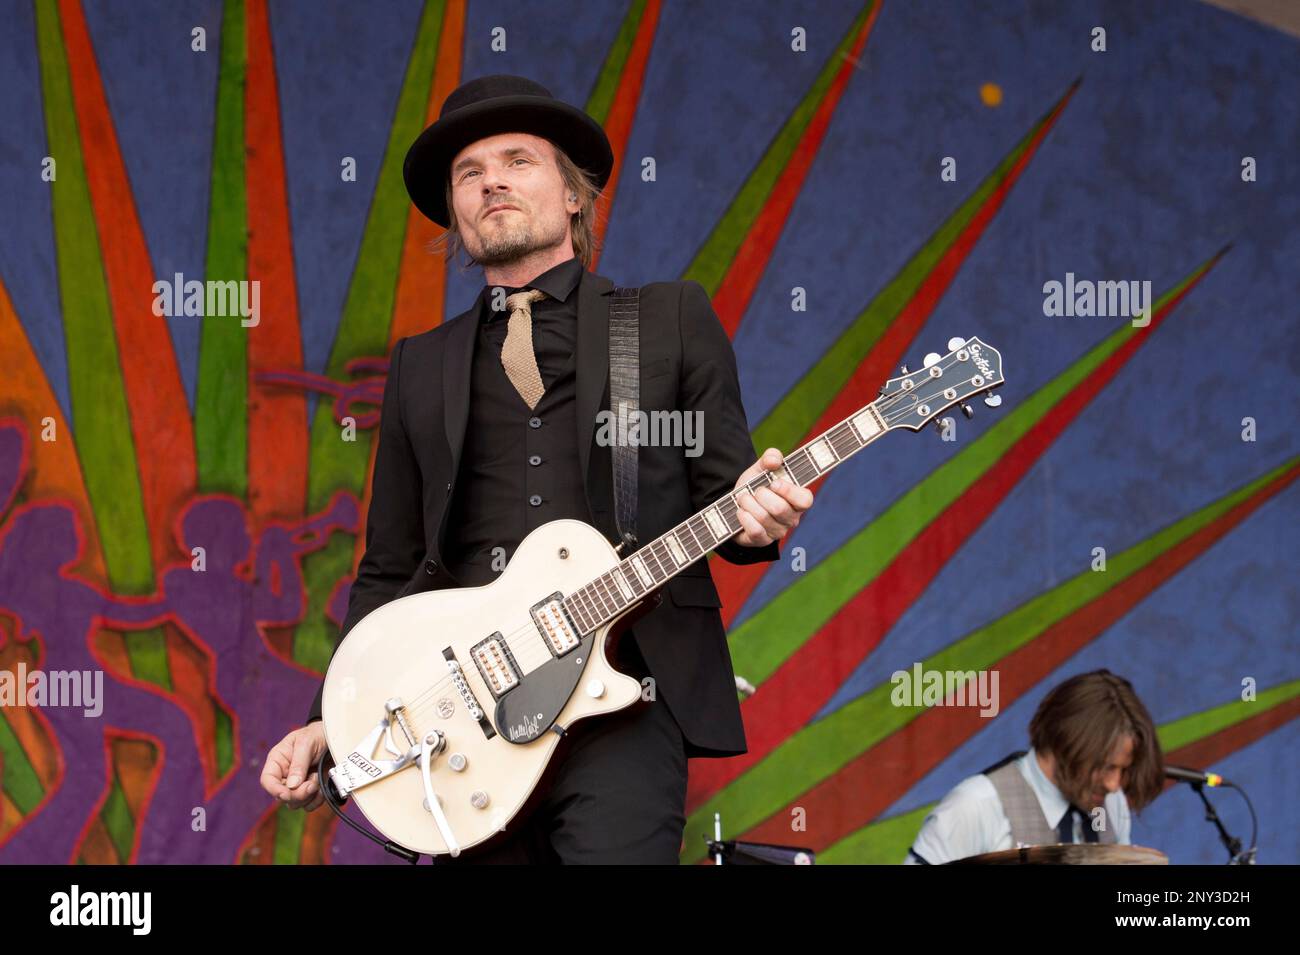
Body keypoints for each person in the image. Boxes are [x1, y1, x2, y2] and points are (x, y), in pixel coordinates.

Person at [259, 74, 814, 863]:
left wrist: (763, 516)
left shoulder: (666, 320)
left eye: (517, 160)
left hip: (625, 691)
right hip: (467, 726)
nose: (491, 181)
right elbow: (388, 567)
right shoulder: (421, 364)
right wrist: (332, 717)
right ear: (454, 210)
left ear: (574, 195)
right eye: (468, 172)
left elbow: (733, 500)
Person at [904, 669, 1164, 864]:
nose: (1114, 784)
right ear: (1064, 744)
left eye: (1123, 770)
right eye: (1105, 767)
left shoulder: (1110, 804)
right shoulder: (974, 807)